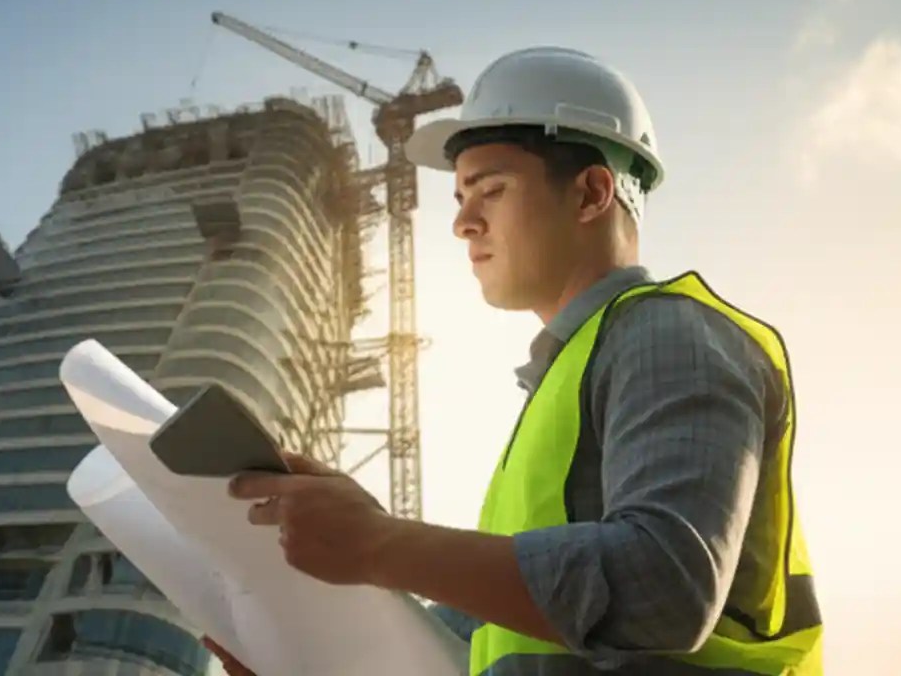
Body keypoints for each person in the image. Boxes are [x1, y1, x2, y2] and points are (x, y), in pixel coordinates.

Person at [209, 47, 824, 675]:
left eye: (491, 190)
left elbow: (665, 586)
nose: (463, 223)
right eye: (459, 197)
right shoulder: (565, 386)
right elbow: (471, 652)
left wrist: (377, 543)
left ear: (591, 193)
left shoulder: (671, 334)